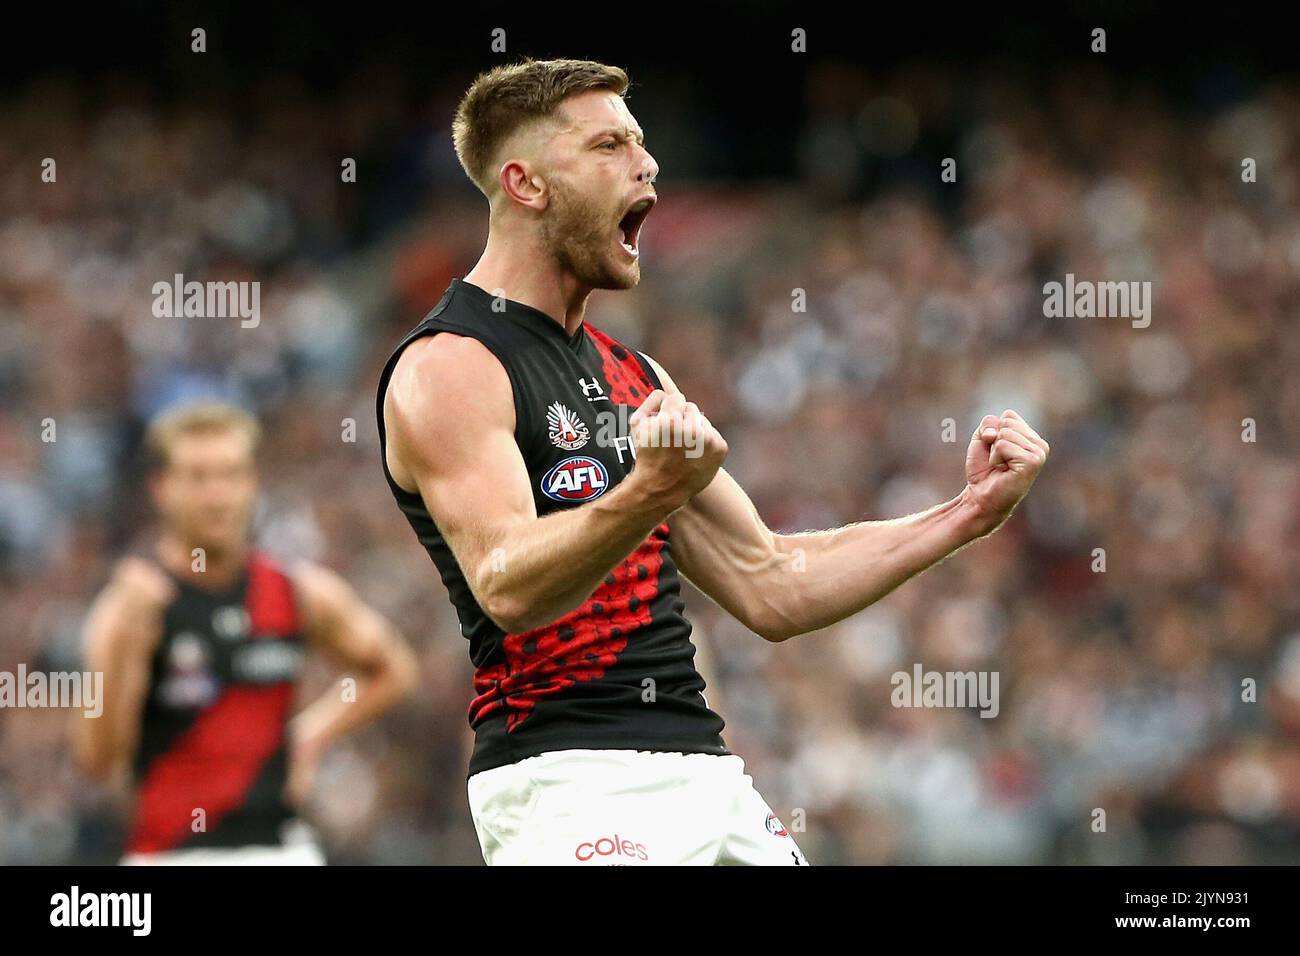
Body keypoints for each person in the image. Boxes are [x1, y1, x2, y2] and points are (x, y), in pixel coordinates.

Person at [377, 59, 1049, 865]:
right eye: (609, 145)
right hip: (566, 778)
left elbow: (769, 583)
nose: (646, 163)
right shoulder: (452, 365)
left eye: (642, 142)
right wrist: (649, 489)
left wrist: (966, 513)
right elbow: (507, 583)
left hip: (707, 773)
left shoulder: (635, 375)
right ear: (526, 185)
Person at [73, 401, 418, 864]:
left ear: (252, 483)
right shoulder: (135, 607)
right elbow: (96, 760)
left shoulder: (297, 592)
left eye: (231, 474)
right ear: (161, 488)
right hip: (172, 853)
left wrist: (312, 733)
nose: (217, 495)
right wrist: (124, 650)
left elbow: (392, 669)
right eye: (197, 477)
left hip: (280, 850)